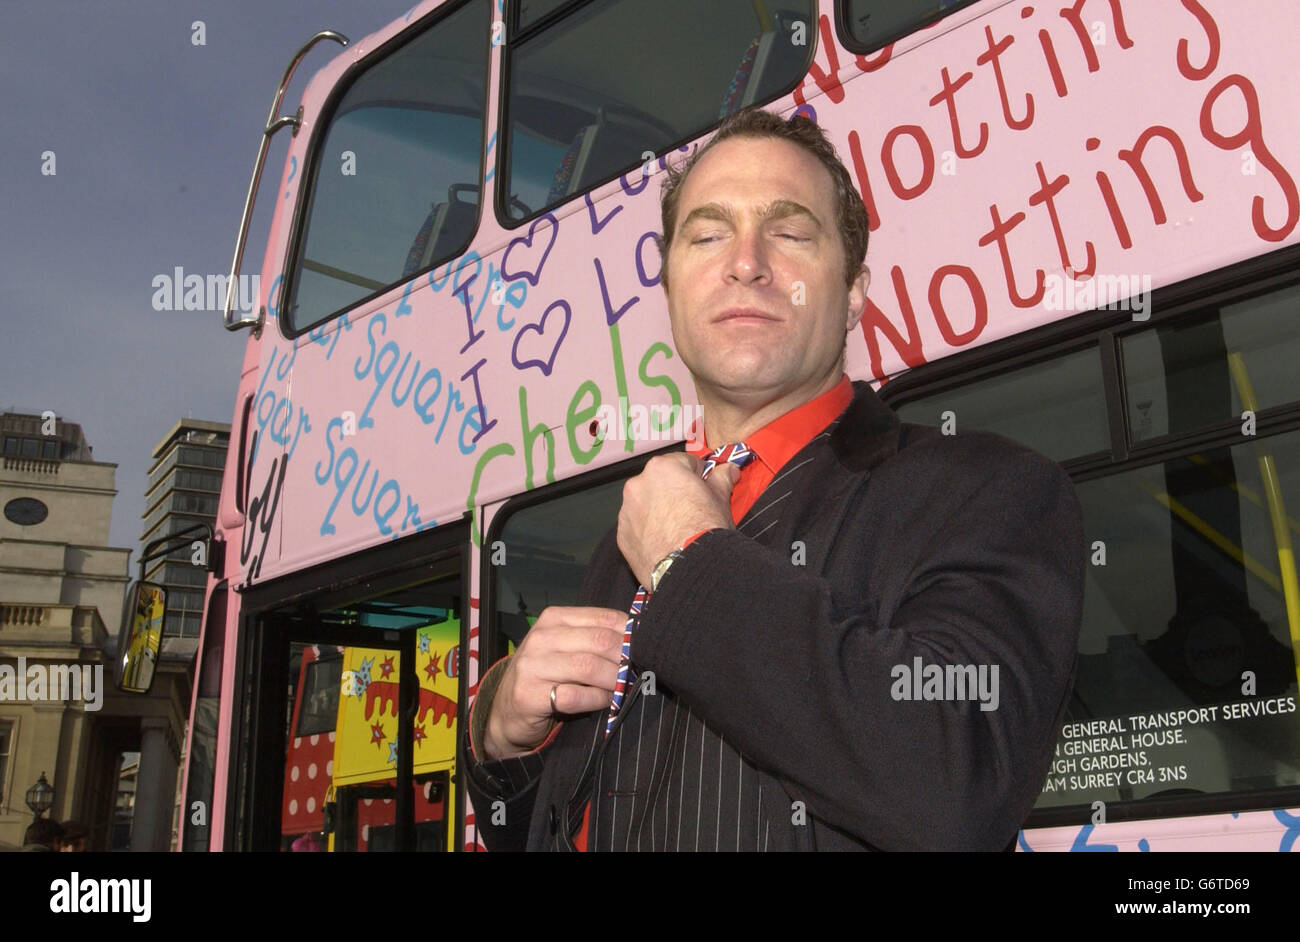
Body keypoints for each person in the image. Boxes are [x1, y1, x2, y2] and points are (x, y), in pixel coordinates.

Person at [463, 106, 1085, 851]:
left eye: (789, 232)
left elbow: (953, 786)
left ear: (854, 289)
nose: (746, 261)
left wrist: (689, 558)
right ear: (669, 289)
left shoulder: (991, 491)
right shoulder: (617, 546)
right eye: (707, 233)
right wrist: (497, 732)